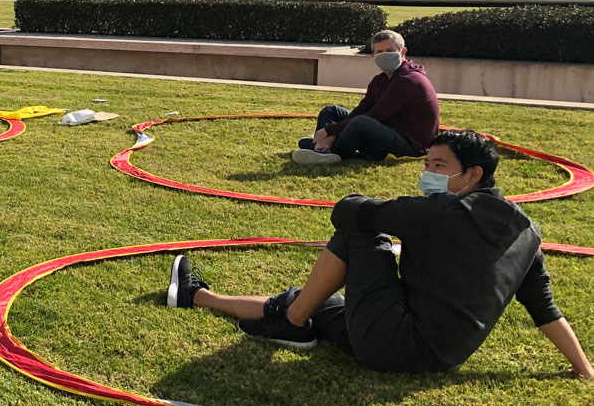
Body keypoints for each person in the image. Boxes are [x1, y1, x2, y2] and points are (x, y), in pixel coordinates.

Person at [166, 130, 592, 379]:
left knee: (359, 234)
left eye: (438, 166)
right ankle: (199, 297)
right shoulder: (526, 232)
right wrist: (584, 369)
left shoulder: (444, 212)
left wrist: (395, 211)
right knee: (315, 302)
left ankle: (293, 322)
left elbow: (348, 211)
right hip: (433, 351)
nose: (427, 174)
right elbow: (545, 310)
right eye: (427, 164)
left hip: (396, 339)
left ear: (473, 175)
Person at [293, 29, 438, 166]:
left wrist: (330, 131)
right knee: (332, 111)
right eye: (379, 52)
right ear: (373, 55)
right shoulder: (379, 80)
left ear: (403, 52)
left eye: (389, 51)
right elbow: (362, 109)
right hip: (389, 129)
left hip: (408, 146)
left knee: (361, 123)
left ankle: (329, 150)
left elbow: (376, 115)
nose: (384, 55)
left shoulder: (408, 80)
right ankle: (321, 145)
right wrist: (333, 131)